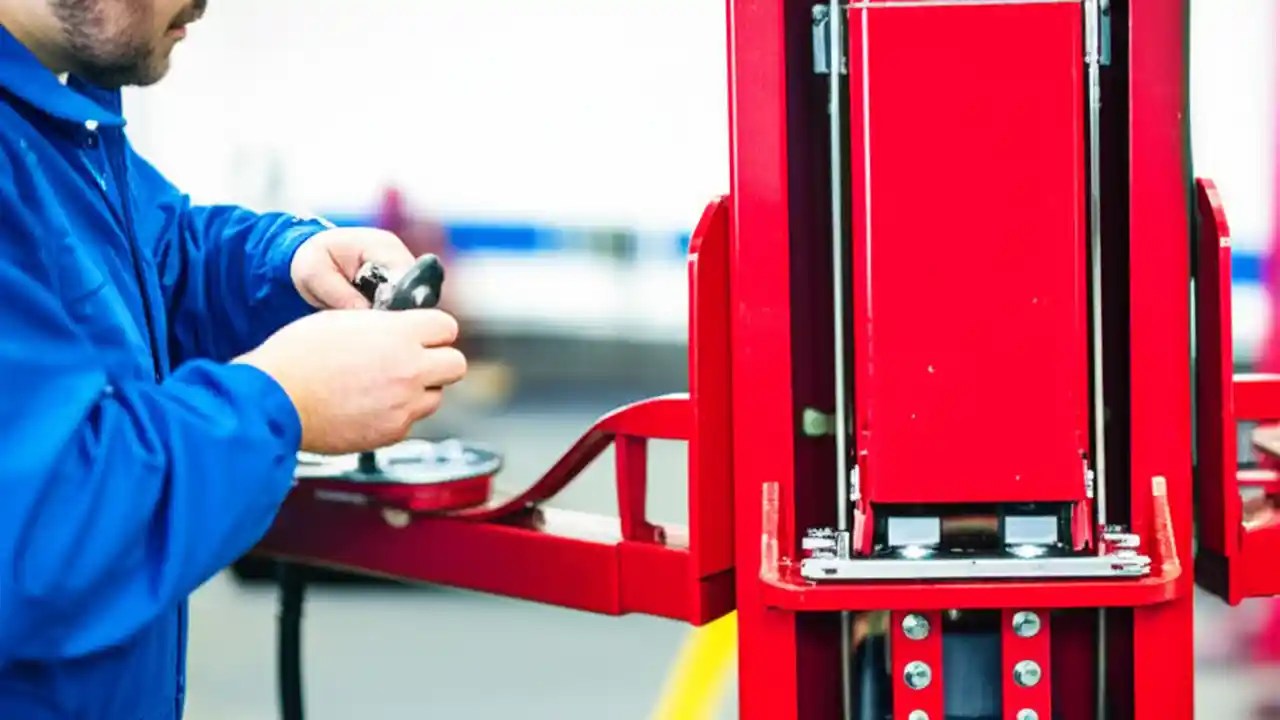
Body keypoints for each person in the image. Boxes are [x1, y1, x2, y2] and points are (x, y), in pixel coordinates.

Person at [0, 1, 468, 717]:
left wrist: (288, 265)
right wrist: (280, 402)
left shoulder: (52, 116)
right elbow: (42, 523)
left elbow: (145, 266)